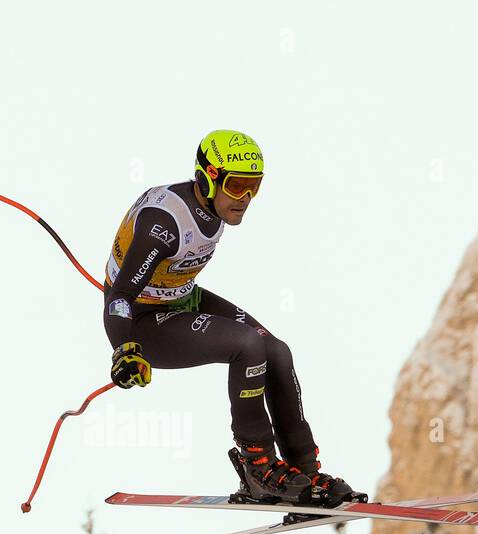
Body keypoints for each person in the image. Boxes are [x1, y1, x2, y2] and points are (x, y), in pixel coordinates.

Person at [102, 129, 362, 506]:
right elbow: (121, 295)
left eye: (254, 186)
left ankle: (304, 471)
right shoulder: (164, 224)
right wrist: (124, 350)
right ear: (207, 177)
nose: (246, 198)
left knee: (276, 350)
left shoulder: (213, 205)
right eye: (237, 185)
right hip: (143, 322)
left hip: (180, 300)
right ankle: (257, 468)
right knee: (247, 346)